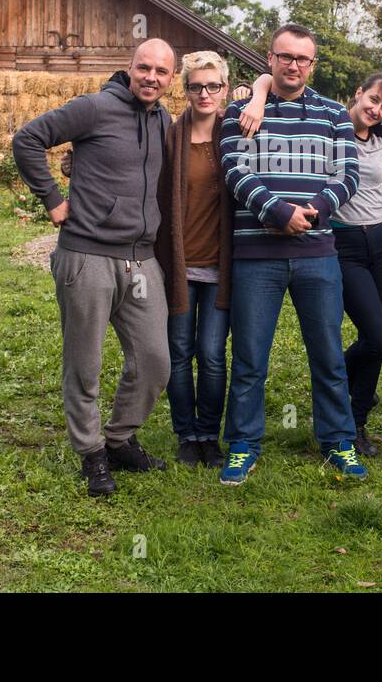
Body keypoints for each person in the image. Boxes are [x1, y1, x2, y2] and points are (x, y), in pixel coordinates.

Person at [237, 72, 382, 458]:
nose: (376, 110)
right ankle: (332, 384)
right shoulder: (329, 122)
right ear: (357, 93)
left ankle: (357, 417)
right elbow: (269, 79)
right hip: (342, 240)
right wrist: (260, 91)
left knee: (374, 339)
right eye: (372, 100)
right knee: (379, 337)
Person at [11, 38, 176, 496]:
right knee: (85, 363)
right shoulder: (95, 107)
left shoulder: (162, 118)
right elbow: (27, 139)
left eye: (162, 72)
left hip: (142, 260)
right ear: (130, 67)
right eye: (144, 68)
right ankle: (91, 453)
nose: (151, 78)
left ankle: (120, 437)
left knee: (154, 361)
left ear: (171, 79)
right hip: (87, 256)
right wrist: (53, 199)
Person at [217, 23, 365, 485]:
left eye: (303, 59)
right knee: (249, 356)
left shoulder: (334, 114)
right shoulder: (241, 112)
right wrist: (277, 211)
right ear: (271, 59)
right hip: (256, 255)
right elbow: (233, 170)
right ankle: (243, 444)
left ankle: (339, 440)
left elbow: (348, 174)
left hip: (317, 252)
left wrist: (316, 210)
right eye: (285, 56)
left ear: (312, 64)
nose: (294, 65)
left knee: (327, 354)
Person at [155, 51, 236, 470]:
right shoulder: (169, 136)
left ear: (224, 87)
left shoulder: (238, 132)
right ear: (184, 89)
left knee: (212, 353)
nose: (204, 94)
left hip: (221, 267)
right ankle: (186, 434)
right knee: (179, 350)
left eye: (212, 86)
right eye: (195, 86)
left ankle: (210, 432)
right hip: (181, 263)